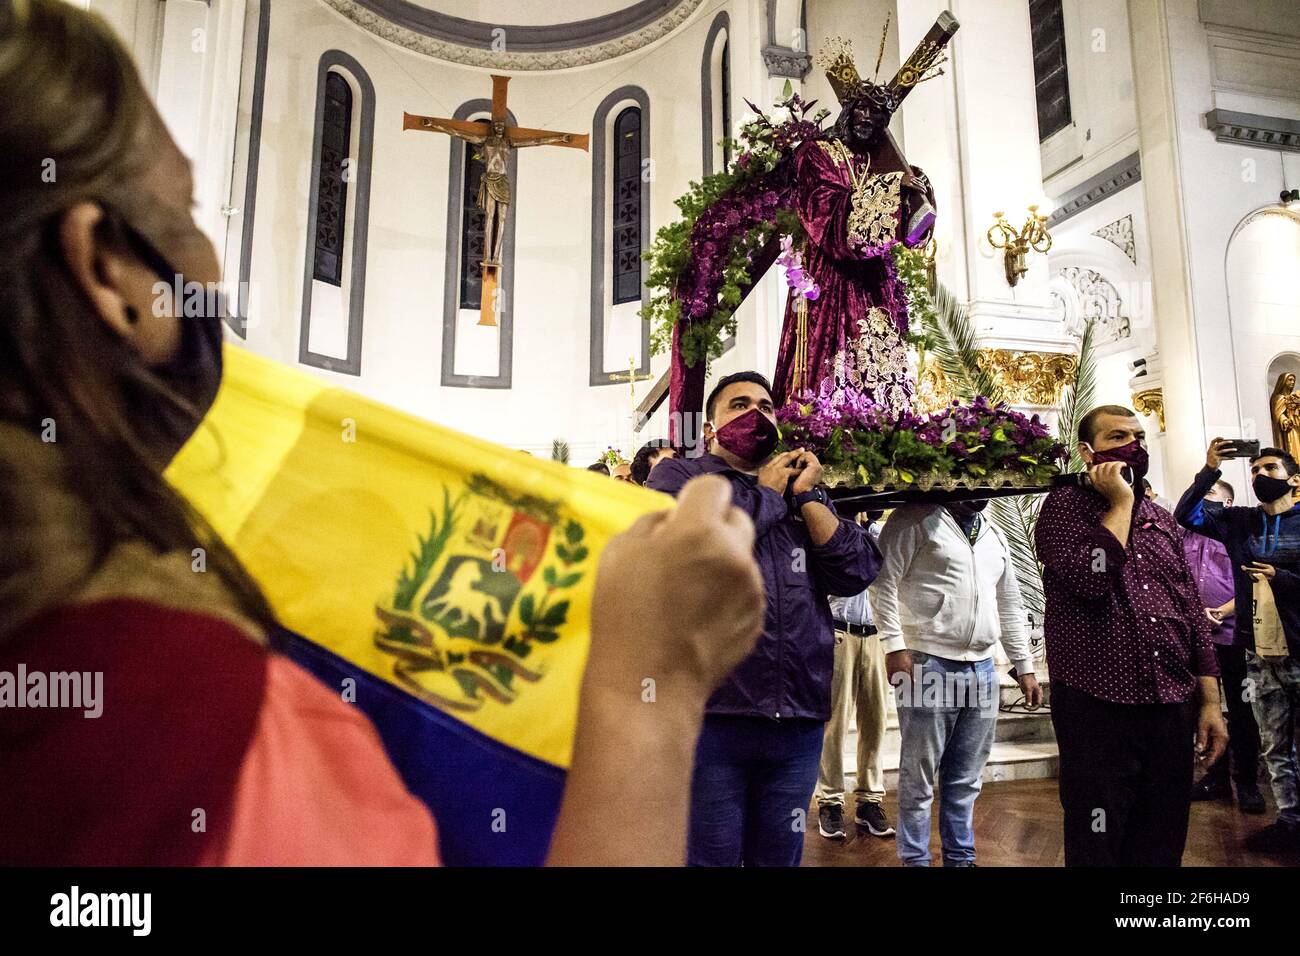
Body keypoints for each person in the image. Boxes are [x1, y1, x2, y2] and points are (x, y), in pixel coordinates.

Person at [0, 0, 767, 867]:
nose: (206, 264)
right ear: (105, 265)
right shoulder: (186, 717)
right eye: (188, 208)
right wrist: (643, 696)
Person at [647, 370, 880, 866]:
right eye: (738, 405)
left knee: (779, 856)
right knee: (712, 857)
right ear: (709, 428)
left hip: (795, 717)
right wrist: (769, 497)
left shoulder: (801, 488)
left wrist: (810, 499)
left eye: (766, 406)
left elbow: (857, 570)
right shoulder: (682, 479)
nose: (755, 414)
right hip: (714, 714)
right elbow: (693, 552)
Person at [1035, 405, 1227, 866]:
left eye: (1138, 437)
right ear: (1088, 452)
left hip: (1168, 702)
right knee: (1098, 836)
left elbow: (1191, 614)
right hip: (1098, 703)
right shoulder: (1063, 509)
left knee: (1162, 836)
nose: (1133, 447)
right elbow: (1090, 577)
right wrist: (1120, 504)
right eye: (1118, 437)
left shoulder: (1162, 519)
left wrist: (1210, 701)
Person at [872, 500, 1042, 867]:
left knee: (966, 777)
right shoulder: (914, 518)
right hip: (926, 662)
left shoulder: (993, 532)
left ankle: (960, 859)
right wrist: (893, 646)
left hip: (982, 668)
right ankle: (915, 860)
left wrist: (1023, 665)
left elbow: (1008, 601)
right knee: (918, 775)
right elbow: (883, 584)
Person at [1175, 440, 1300, 851]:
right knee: (1274, 742)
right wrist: (1210, 468)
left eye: (1270, 468)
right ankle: (1288, 820)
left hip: (1299, 645)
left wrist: (1280, 578)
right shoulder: (1241, 522)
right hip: (1259, 651)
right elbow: (1187, 515)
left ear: (1294, 480)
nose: (1260, 475)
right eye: (1255, 470)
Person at [1180, 479, 1266, 813]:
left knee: (1243, 711)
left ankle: (1246, 781)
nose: (1204, 502)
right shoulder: (1182, 536)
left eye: (1210, 496)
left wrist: (1221, 610)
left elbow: (1250, 581)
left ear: (1227, 505)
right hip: (1195, 639)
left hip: (1233, 635)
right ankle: (1214, 777)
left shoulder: (1238, 536)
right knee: (1202, 709)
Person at [814, 511, 894, 841]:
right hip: (839, 632)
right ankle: (830, 801)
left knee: (875, 721)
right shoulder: (832, 528)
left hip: (877, 635)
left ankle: (869, 801)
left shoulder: (887, 533)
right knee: (833, 723)